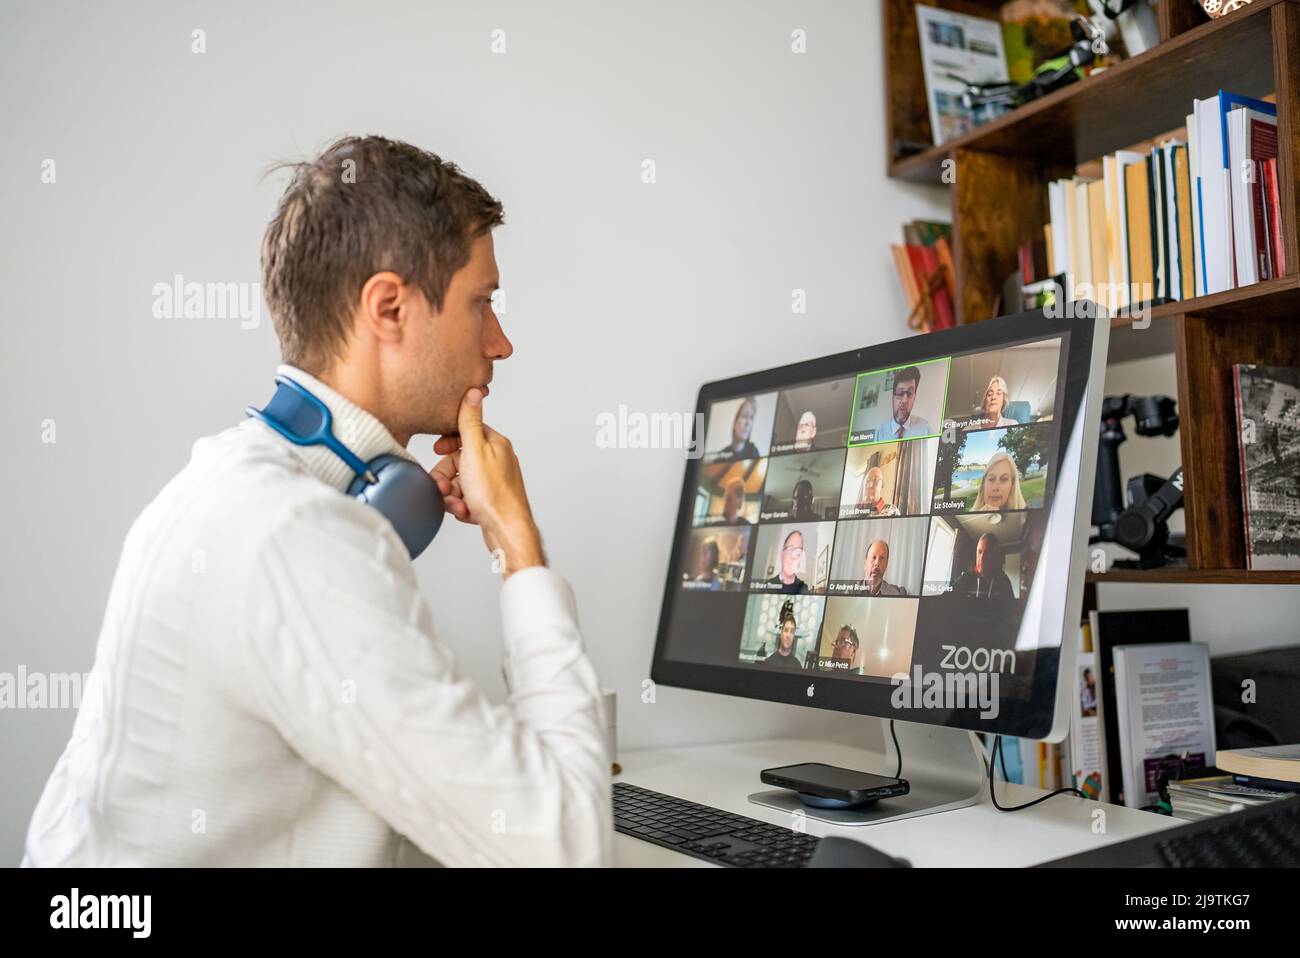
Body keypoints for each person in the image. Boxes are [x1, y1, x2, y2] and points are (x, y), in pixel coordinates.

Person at [22, 137, 610, 868]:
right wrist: (517, 544)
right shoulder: (294, 538)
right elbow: (569, 853)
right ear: (389, 307)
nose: (501, 342)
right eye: (481, 303)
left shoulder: (229, 482)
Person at [874, 366, 932, 440]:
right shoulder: (880, 433)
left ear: (914, 398)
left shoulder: (925, 428)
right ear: (893, 398)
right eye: (900, 393)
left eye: (910, 393)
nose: (905, 400)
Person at [952, 533, 1015, 599]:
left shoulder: (1004, 582)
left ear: (994, 556)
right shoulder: (965, 579)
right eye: (979, 552)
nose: (982, 557)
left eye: (987, 553)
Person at [764, 601, 805, 669]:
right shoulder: (768, 662)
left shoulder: (797, 666)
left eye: (792, 631)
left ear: (794, 637)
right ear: (781, 634)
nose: (788, 635)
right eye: (786, 630)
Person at [766, 530, 809, 594]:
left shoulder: (803, 588)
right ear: (782, 554)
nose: (793, 557)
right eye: (790, 549)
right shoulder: (767, 586)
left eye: (798, 552)